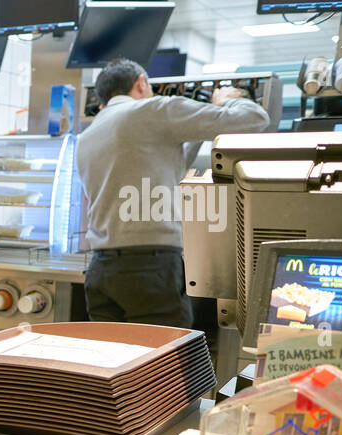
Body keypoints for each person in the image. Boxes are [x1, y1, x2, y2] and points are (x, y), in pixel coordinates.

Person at [76, 58, 271, 327]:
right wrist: (229, 100)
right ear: (141, 83)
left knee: (116, 363)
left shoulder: (88, 134)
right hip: (150, 268)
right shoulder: (153, 109)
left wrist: (201, 124)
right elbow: (254, 120)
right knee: (166, 363)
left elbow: (167, 164)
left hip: (100, 270)